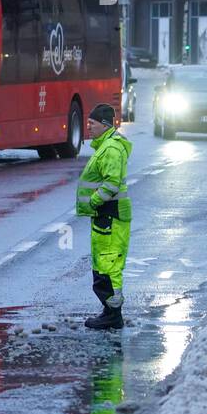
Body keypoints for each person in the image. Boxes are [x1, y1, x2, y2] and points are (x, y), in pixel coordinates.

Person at [75, 103, 132, 330]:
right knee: (103, 263)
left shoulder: (111, 149)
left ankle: (113, 315)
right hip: (106, 215)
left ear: (105, 125)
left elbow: (111, 182)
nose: (88, 127)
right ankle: (110, 311)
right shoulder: (106, 146)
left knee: (108, 264)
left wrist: (94, 201)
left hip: (110, 214)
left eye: (92, 123)